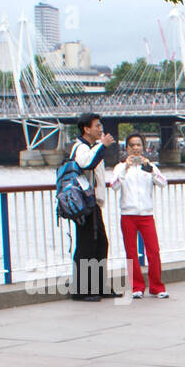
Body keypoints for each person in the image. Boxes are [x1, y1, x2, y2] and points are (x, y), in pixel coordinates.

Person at [108, 133, 168, 299]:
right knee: (131, 252)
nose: (135, 148)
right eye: (132, 145)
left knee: (153, 251)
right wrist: (126, 168)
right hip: (128, 214)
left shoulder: (149, 166)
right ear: (127, 148)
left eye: (138, 145)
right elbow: (114, 186)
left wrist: (150, 168)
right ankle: (136, 287)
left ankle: (156, 287)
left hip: (146, 215)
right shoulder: (120, 167)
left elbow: (163, 183)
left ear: (143, 147)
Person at [69, 112, 118, 301]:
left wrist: (99, 146)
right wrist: (102, 145)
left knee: (99, 243)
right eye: (97, 126)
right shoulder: (81, 148)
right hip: (83, 203)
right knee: (86, 245)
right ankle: (82, 291)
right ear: (86, 129)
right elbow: (87, 163)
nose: (100, 129)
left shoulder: (89, 146)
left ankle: (98, 286)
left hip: (91, 203)